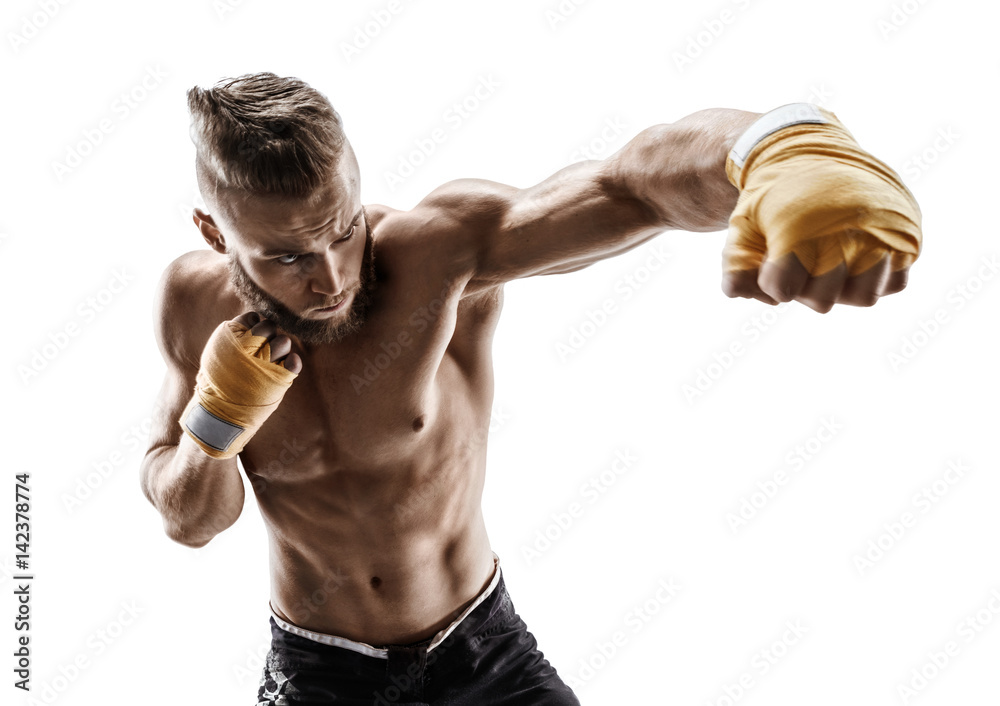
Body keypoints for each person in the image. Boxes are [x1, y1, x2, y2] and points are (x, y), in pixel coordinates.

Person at [139, 72, 921, 705]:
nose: (333, 276)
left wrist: (774, 145)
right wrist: (216, 421)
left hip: (482, 655)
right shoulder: (191, 305)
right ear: (215, 234)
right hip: (321, 676)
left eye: (343, 229)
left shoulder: (436, 257)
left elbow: (629, 188)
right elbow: (190, 520)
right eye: (286, 257)